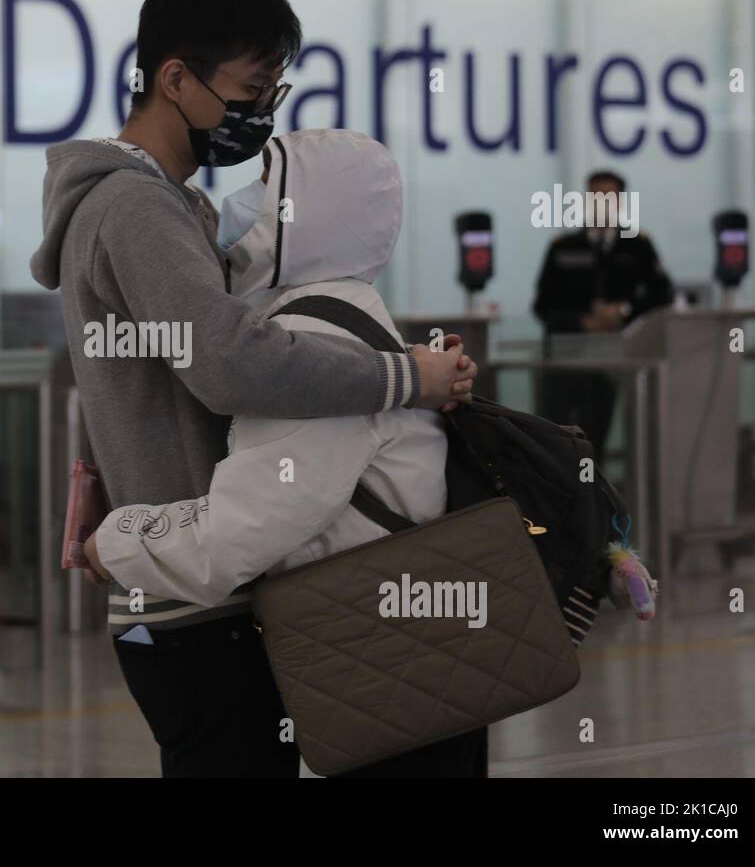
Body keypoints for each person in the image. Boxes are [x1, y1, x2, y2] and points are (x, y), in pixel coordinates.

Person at [31, 0, 477, 777]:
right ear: (175, 78)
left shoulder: (173, 205)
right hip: (191, 595)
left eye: (275, 88)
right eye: (251, 86)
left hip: (195, 577)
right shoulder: (135, 208)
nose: (263, 113)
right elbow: (231, 363)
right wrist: (405, 377)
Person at [80, 129, 486, 777]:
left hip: (385, 678)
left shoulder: (307, 335)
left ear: (315, 213)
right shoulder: (341, 311)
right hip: (410, 668)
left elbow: (241, 532)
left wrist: (116, 539)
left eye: (268, 187)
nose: (240, 203)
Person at [533, 169, 673, 460]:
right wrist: (582, 321)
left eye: (608, 197)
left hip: (611, 356)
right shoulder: (564, 248)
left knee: (595, 437)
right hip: (565, 356)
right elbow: (543, 304)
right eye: (595, 196)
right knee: (554, 436)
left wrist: (624, 311)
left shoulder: (637, 245)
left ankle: (593, 501)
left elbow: (663, 294)